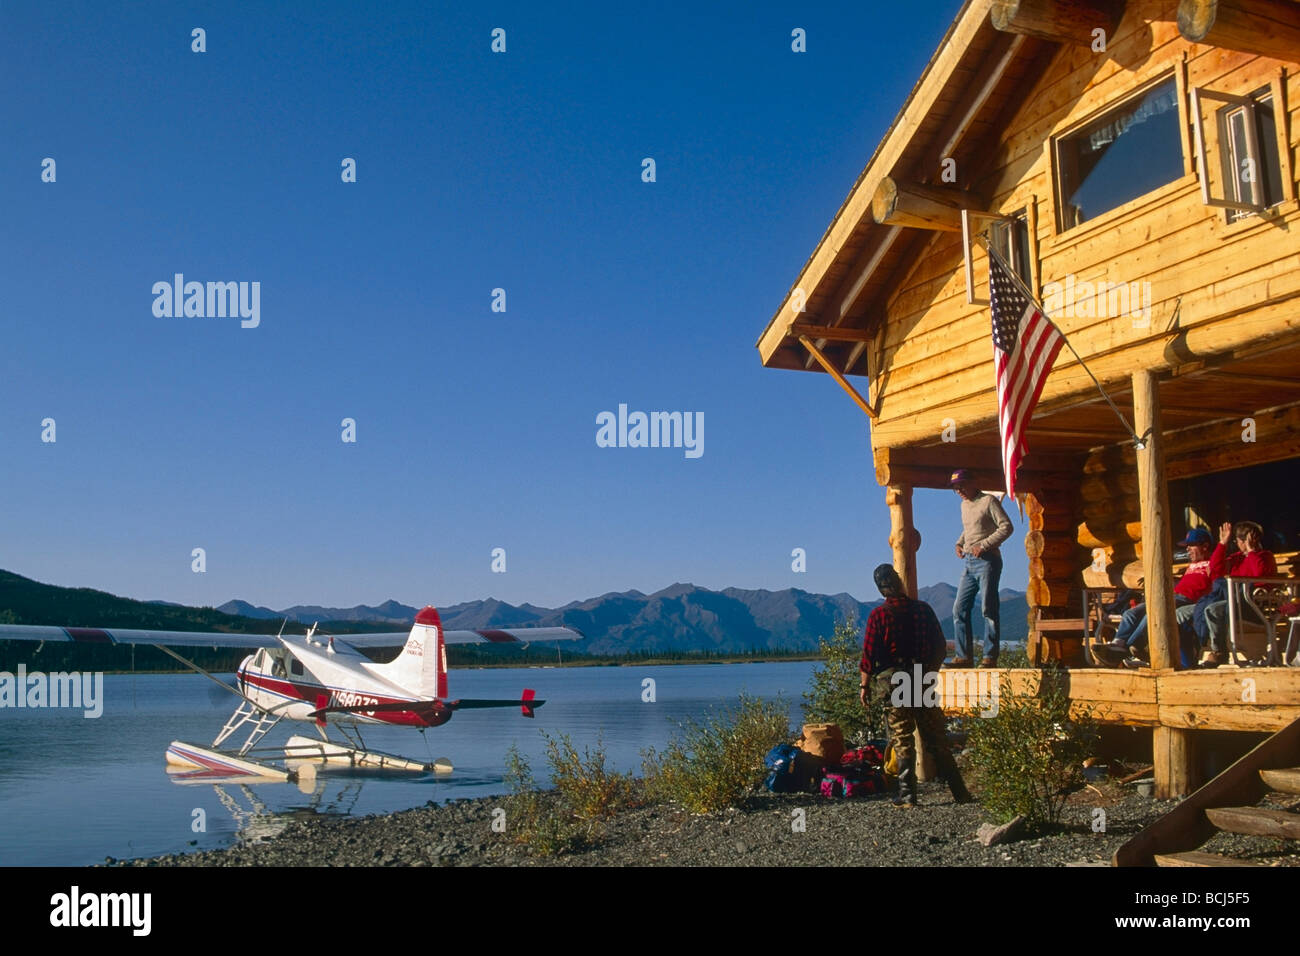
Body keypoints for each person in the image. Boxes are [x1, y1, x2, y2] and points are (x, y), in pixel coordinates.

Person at [860, 564, 973, 808]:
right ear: (899, 582)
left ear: (880, 589)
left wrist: (864, 686)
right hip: (922, 678)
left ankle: (908, 796)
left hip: (894, 682)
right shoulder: (923, 610)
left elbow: (868, 656)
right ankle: (960, 792)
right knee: (936, 737)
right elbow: (940, 646)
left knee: (902, 737)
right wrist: (929, 672)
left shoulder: (878, 616)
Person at [1106, 528, 1217, 661]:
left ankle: (1131, 647)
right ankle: (1118, 643)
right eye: (1186, 546)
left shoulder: (1213, 564)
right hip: (1172, 596)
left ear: (1205, 546)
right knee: (1131, 613)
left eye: (1192, 545)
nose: (1187, 549)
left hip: (1187, 600)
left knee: (1153, 614)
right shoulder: (1192, 565)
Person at [949, 469, 1013, 667]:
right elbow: (970, 530)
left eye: (961, 486)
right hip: (969, 561)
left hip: (988, 560)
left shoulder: (989, 502)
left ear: (972, 482)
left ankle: (989, 656)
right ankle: (963, 656)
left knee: (988, 608)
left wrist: (984, 545)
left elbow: (1006, 526)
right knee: (959, 608)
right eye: (955, 488)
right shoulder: (963, 506)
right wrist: (960, 543)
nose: (958, 490)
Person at [1200, 521, 1277, 667]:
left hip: (1255, 605)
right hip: (1235, 602)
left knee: (1216, 609)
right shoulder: (1236, 558)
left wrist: (1252, 551)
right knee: (1208, 609)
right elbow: (1215, 571)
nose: (1238, 544)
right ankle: (1212, 651)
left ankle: (1220, 651)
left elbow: (1259, 574)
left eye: (1239, 541)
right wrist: (1223, 543)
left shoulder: (1265, 556)